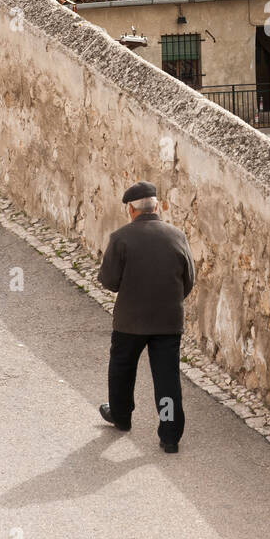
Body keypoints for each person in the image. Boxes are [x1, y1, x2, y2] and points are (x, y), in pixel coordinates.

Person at [97, 181, 195, 453]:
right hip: (168, 320)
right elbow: (189, 280)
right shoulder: (177, 236)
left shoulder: (121, 238)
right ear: (157, 206)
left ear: (131, 209)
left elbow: (109, 281)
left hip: (130, 320)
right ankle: (170, 436)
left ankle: (121, 415)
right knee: (166, 378)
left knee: (122, 369)